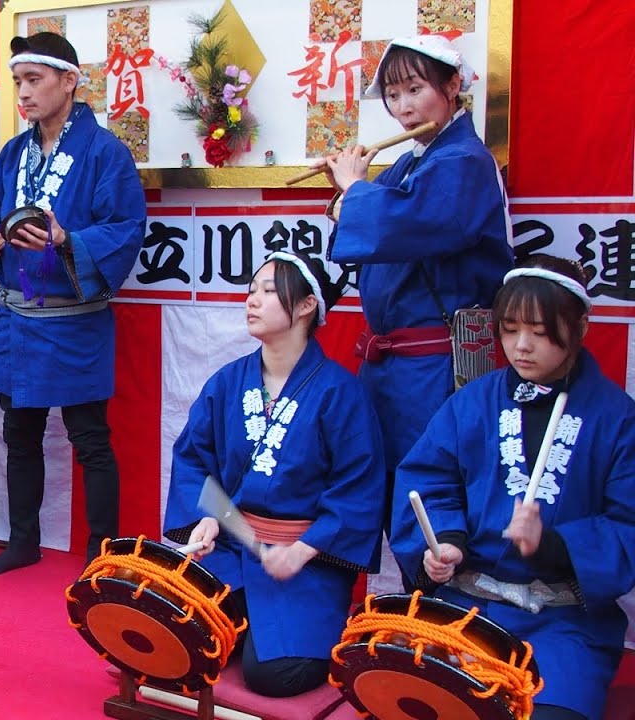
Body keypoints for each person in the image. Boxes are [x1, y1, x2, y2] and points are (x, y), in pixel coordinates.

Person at [391, 255, 635, 720]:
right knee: (412, 699)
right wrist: (446, 542)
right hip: (467, 605)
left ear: (580, 327)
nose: (521, 346)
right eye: (510, 330)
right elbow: (429, 478)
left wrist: (553, 545)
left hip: (563, 621)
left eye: (540, 333)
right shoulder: (472, 402)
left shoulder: (617, 419)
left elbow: (629, 523)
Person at [320, 35, 513, 592]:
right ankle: (408, 604)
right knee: (380, 481)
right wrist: (348, 195)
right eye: (393, 94)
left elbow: (409, 225)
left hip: (438, 362)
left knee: (429, 485)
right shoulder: (412, 161)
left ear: (452, 87)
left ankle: (438, 610)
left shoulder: (466, 161)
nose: (403, 107)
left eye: (415, 89)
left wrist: (356, 190)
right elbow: (365, 232)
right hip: (393, 365)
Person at [0, 32, 146, 577]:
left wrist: (68, 240)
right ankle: (23, 542)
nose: (23, 92)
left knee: (90, 439)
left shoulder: (104, 152)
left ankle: (102, 554)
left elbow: (127, 226)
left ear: (69, 81)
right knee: (20, 435)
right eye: (18, 81)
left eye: (34, 80)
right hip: (18, 320)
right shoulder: (14, 153)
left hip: (74, 324)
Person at [164, 253, 387, 697]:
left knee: (272, 676)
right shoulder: (228, 382)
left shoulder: (341, 393)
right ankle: (247, 624)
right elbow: (194, 460)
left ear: (306, 306)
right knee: (173, 637)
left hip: (304, 563)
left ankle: (264, 628)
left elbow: (358, 490)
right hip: (234, 551)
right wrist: (209, 518)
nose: (252, 300)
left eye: (268, 291)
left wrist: (302, 550)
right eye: (252, 290)